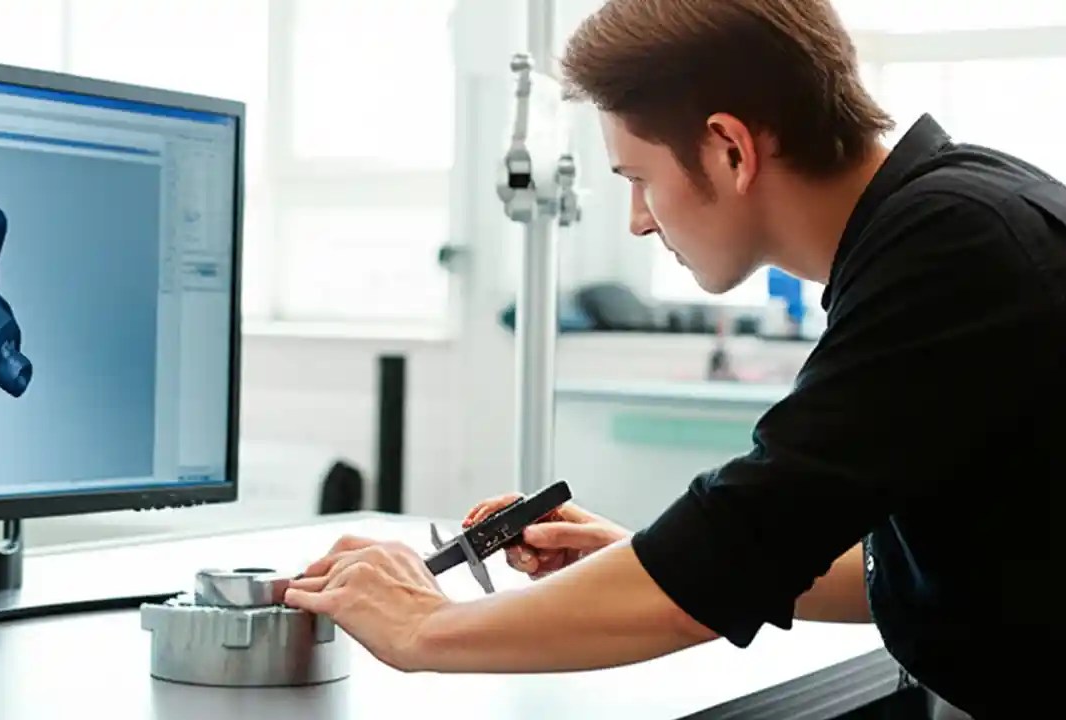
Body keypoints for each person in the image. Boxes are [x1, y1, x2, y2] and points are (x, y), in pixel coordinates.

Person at [284, 1, 1063, 716]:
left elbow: (732, 552)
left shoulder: (952, 251)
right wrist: (638, 558)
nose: (636, 223)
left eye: (638, 180)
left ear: (728, 149)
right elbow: (921, 556)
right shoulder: (958, 214)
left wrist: (423, 627)